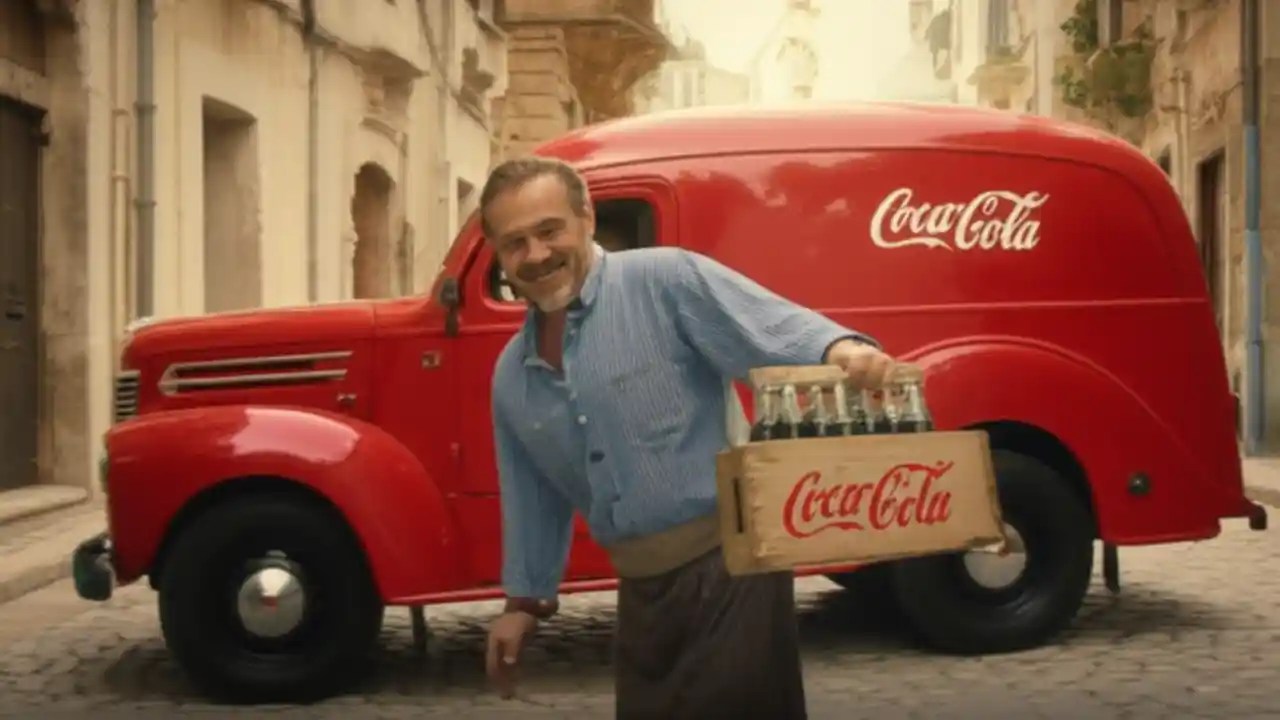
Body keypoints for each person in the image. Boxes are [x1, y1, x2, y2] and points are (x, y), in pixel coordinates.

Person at [480, 156, 896, 720]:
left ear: (586, 219)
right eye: (515, 243)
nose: (536, 255)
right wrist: (522, 604)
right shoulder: (513, 375)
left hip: (733, 567)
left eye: (549, 230)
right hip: (641, 591)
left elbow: (767, 327)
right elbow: (532, 495)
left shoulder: (666, 280)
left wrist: (842, 352)